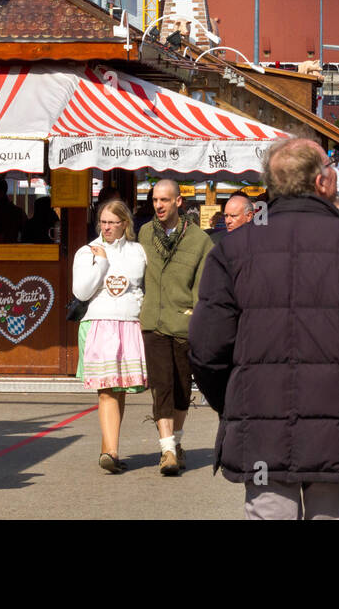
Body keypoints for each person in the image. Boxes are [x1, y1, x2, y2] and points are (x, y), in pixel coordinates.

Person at [190, 138, 339, 519]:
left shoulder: (231, 249)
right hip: (338, 422)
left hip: (260, 423)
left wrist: (235, 403)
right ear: (323, 183)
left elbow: (207, 346)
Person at [138, 179, 214, 475]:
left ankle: (177, 442)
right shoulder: (144, 233)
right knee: (162, 386)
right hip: (153, 323)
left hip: (184, 323)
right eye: (155, 200)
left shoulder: (199, 239)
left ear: (179, 202)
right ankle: (167, 450)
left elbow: (203, 283)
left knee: (182, 389)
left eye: (164, 200)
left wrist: (194, 313)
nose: (158, 205)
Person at [73, 200, 148, 473]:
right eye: (102, 222)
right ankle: (112, 452)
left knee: (121, 389)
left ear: (124, 224)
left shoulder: (138, 251)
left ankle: (108, 449)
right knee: (106, 390)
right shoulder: (88, 252)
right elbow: (81, 292)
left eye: (112, 223)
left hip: (129, 322)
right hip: (99, 322)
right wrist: (101, 262)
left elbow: (144, 287)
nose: (106, 228)